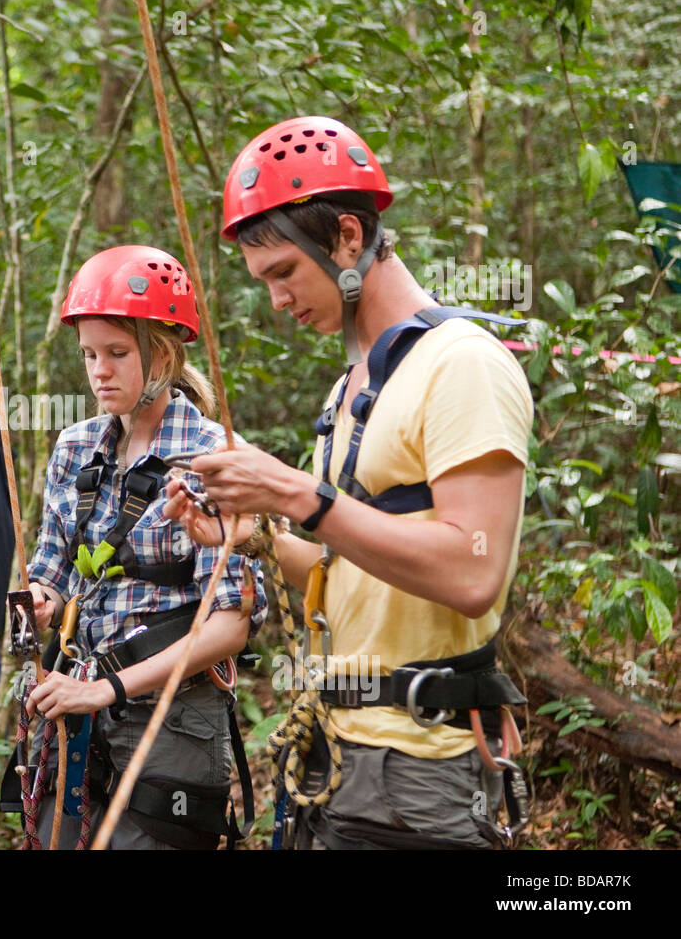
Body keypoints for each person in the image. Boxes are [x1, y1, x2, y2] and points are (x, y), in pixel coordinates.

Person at [166, 116, 533, 849]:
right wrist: (261, 538)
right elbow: (355, 573)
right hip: (336, 757)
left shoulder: (462, 364)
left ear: (346, 239)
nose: (276, 301)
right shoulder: (350, 391)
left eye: (283, 274)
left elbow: (471, 572)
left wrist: (300, 495)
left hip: (419, 769)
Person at [23, 244, 267, 850]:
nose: (99, 371)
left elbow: (229, 626)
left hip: (171, 715)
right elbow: (50, 570)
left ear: (162, 353)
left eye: (117, 353)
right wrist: (38, 603)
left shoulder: (215, 455)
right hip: (76, 706)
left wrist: (107, 688)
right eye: (88, 355)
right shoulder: (76, 449)